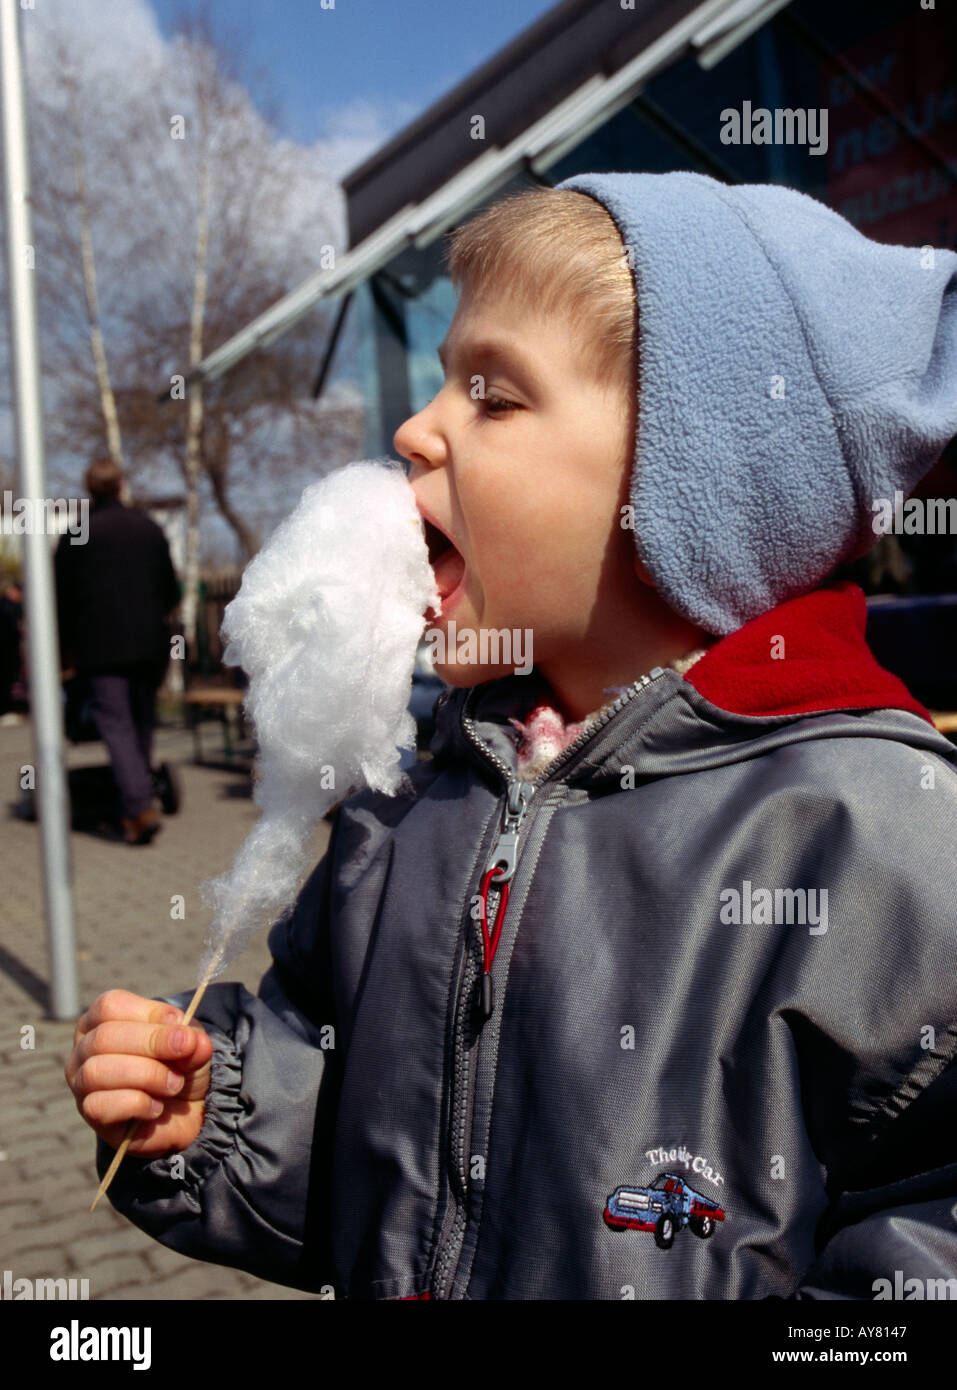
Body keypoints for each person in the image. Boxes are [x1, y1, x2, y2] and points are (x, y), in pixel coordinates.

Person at [65, 173, 957, 1298]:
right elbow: (343, 1097)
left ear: (687, 491)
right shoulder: (415, 795)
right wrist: (211, 1118)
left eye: (491, 394)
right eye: (444, 378)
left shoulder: (874, 835)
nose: (412, 427)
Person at [54, 457, 181, 845]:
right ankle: (139, 799)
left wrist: (63, 656)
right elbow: (171, 592)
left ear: (89, 490)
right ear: (122, 485)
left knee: (117, 726)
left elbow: (60, 601)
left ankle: (138, 807)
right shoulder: (148, 529)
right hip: (150, 645)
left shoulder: (77, 534)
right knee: (141, 724)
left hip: (101, 649)